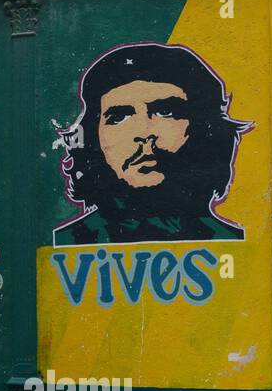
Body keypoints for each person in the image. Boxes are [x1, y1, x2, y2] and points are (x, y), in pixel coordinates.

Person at [53, 42, 250, 245]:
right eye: (118, 117)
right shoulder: (66, 243)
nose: (143, 132)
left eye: (166, 112)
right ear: (93, 137)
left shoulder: (232, 244)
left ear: (204, 129)